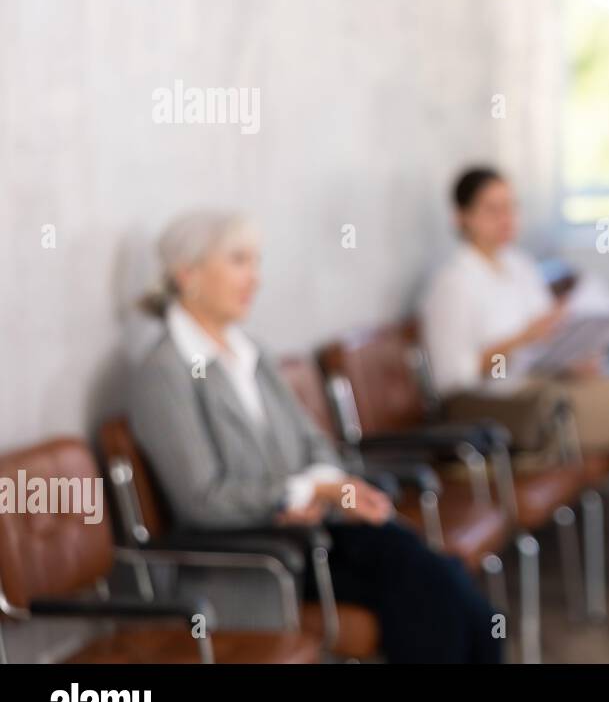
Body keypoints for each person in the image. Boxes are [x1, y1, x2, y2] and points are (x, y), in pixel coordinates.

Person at [127, 209, 502, 664]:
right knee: (429, 594)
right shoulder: (164, 374)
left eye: (256, 261)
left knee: (455, 594)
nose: (255, 278)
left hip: (319, 538)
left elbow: (315, 443)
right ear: (188, 275)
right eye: (239, 261)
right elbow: (202, 500)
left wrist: (333, 486)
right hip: (261, 563)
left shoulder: (252, 352)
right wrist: (307, 489)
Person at [421, 167, 609, 457]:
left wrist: (573, 359)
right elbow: (453, 378)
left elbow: (548, 338)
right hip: (506, 406)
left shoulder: (519, 265)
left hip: (546, 384)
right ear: (462, 217)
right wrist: (521, 338)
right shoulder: (453, 283)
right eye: (492, 210)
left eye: (510, 207)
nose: (506, 218)